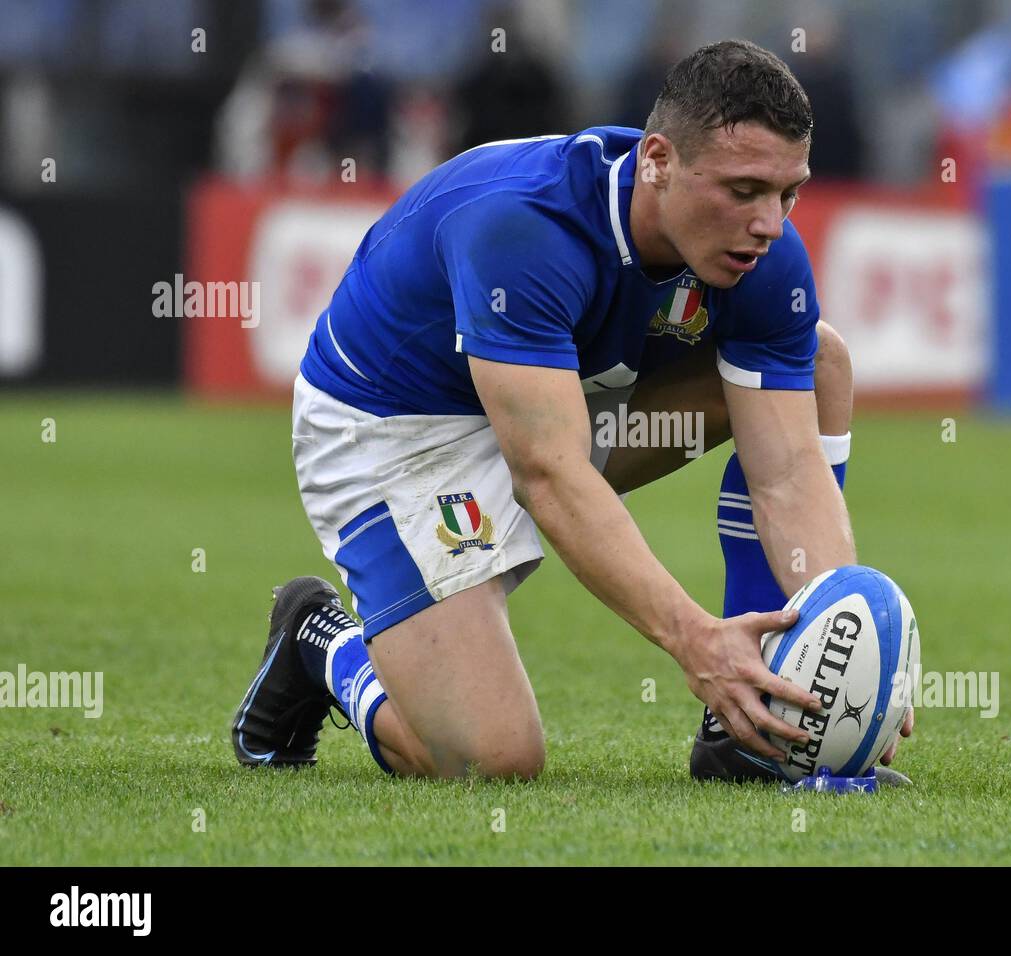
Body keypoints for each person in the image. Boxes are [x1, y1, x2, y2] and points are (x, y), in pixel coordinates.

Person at [230, 39, 913, 783]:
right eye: (744, 190)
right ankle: (320, 641)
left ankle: (748, 730)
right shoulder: (523, 230)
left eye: (789, 193)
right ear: (657, 161)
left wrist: (842, 645)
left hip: (556, 403)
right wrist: (696, 641)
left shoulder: (763, 253)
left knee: (816, 363)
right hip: (396, 427)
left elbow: (786, 470)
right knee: (491, 760)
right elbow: (550, 476)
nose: (770, 223)